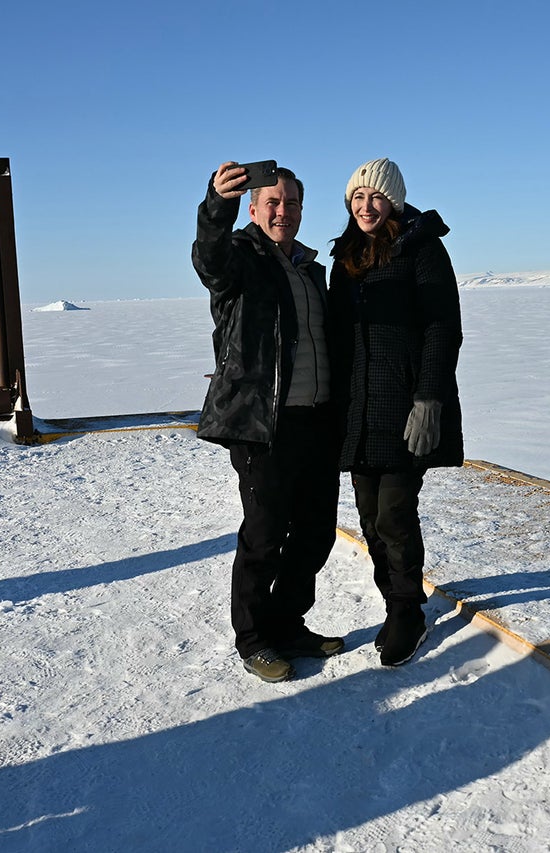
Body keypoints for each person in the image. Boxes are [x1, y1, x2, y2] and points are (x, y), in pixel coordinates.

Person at [192, 161, 345, 683]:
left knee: (316, 532)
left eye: (292, 203)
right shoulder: (240, 258)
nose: (283, 211)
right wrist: (217, 205)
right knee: (264, 535)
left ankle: (287, 624)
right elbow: (208, 257)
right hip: (264, 423)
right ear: (254, 209)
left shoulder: (308, 268)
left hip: (317, 421)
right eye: (273, 203)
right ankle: (254, 639)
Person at [328, 157, 464, 667]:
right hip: (358, 410)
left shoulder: (423, 249)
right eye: (358, 197)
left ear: (395, 201)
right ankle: (394, 601)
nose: (366, 206)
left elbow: (442, 327)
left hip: (405, 405)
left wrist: (429, 398)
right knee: (369, 516)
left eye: (376, 197)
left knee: (394, 514)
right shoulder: (347, 256)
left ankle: (409, 609)